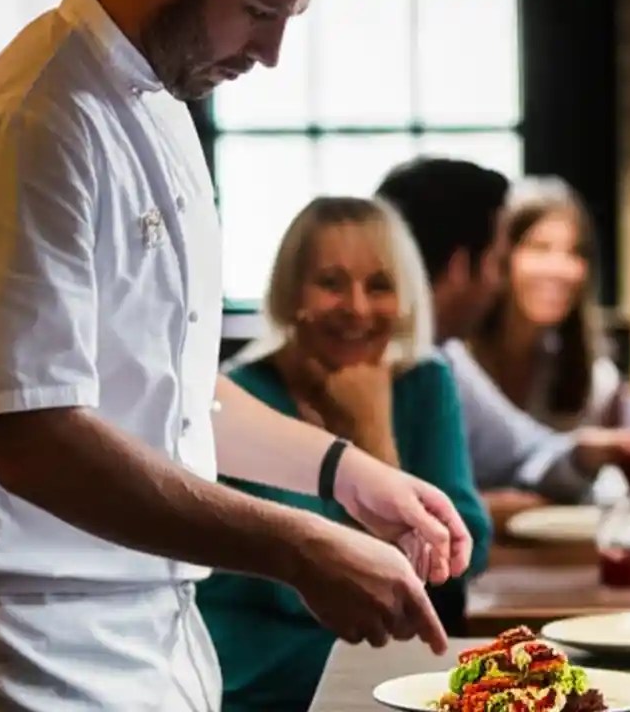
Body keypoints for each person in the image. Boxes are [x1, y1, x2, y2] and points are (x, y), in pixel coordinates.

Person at [0, 0, 469, 709]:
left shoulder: (160, 102)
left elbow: (175, 392)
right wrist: (299, 545)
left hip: (158, 637)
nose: (272, 50)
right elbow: (37, 439)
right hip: (41, 645)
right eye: (259, 10)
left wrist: (345, 471)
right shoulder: (31, 121)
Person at [197, 197, 492, 710]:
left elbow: (467, 548)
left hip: (384, 669)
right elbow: (306, 590)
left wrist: (372, 430)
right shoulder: (239, 397)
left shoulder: (424, 382)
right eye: (331, 283)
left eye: (378, 286)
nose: (356, 308)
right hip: (257, 676)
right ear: (292, 294)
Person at [376, 159, 630, 519]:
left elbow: (522, 453)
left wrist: (585, 452)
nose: (497, 283)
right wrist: (482, 508)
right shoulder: (405, 362)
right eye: (498, 261)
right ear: (462, 266)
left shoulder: (442, 357)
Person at [468, 176, 630, 441]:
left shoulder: (584, 369)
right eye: (540, 249)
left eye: (575, 252)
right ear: (500, 258)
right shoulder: (460, 361)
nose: (561, 269)